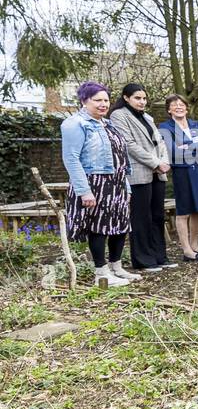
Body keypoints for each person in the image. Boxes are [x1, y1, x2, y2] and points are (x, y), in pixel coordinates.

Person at [60, 82, 137, 286]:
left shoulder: (107, 123)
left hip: (117, 183)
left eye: (106, 100)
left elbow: (120, 158)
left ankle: (116, 267)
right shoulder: (74, 124)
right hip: (95, 183)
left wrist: (126, 186)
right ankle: (101, 273)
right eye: (97, 100)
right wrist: (84, 191)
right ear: (84, 101)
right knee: (99, 227)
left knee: (120, 226)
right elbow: (72, 159)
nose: (103, 104)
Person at [109, 83, 175, 272]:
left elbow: (160, 142)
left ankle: (159, 257)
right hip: (139, 173)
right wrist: (155, 163)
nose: (142, 101)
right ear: (126, 97)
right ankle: (143, 260)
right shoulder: (119, 115)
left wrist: (164, 161)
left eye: (144, 98)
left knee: (157, 216)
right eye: (138, 98)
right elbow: (128, 144)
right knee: (141, 217)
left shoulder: (147, 116)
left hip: (157, 173)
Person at [157, 94, 198, 261]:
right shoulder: (165, 127)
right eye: (174, 105)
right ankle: (186, 250)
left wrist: (189, 145)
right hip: (182, 171)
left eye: (181, 104)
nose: (178, 107)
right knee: (184, 211)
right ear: (169, 109)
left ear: (186, 107)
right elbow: (173, 152)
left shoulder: (196, 124)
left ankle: (195, 245)